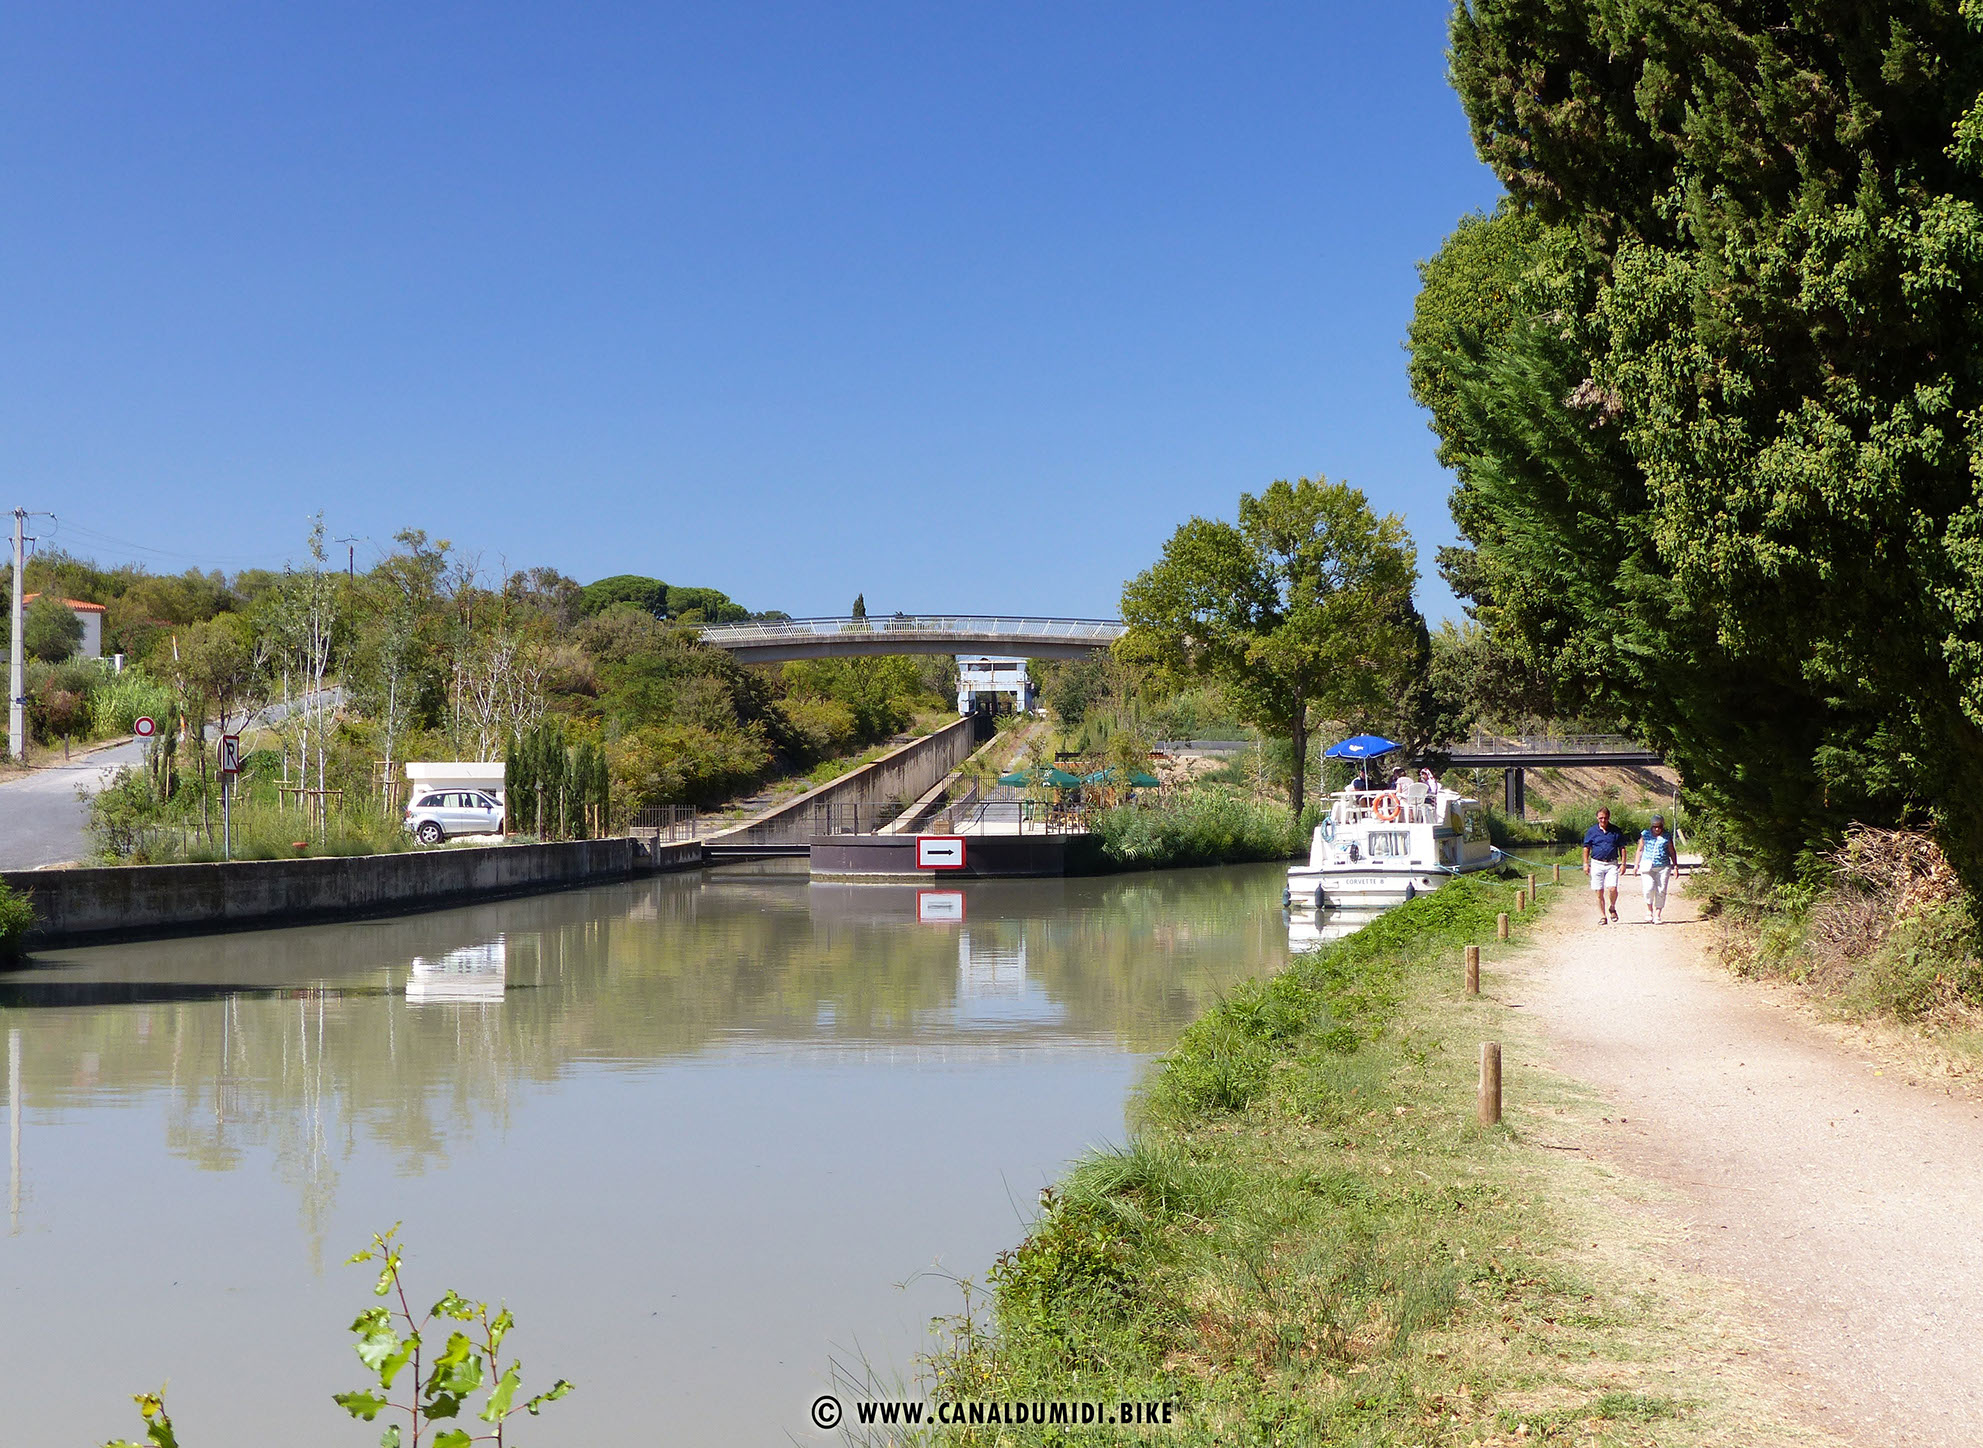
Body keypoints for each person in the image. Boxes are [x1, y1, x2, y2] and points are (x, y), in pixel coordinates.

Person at [1582, 807, 1627, 924]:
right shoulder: (1592, 831)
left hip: (1612, 863)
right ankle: (1603, 916)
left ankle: (1612, 907)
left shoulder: (1616, 831)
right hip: (1597, 863)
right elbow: (1586, 848)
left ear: (1609, 818)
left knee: (1612, 888)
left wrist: (1623, 864)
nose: (1603, 820)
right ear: (1597, 818)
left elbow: (1622, 848)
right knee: (1599, 891)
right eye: (1601, 818)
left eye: (1605, 818)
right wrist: (1585, 863)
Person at [1634, 814, 1674, 924]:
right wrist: (1636, 865)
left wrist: (1675, 866)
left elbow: (1671, 851)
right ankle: (1649, 910)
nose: (1657, 829)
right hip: (1647, 865)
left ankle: (1657, 914)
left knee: (1661, 890)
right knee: (1648, 888)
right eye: (1655, 826)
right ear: (1651, 826)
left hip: (1663, 866)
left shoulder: (1667, 836)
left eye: (1659, 826)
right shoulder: (1645, 834)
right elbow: (1640, 850)